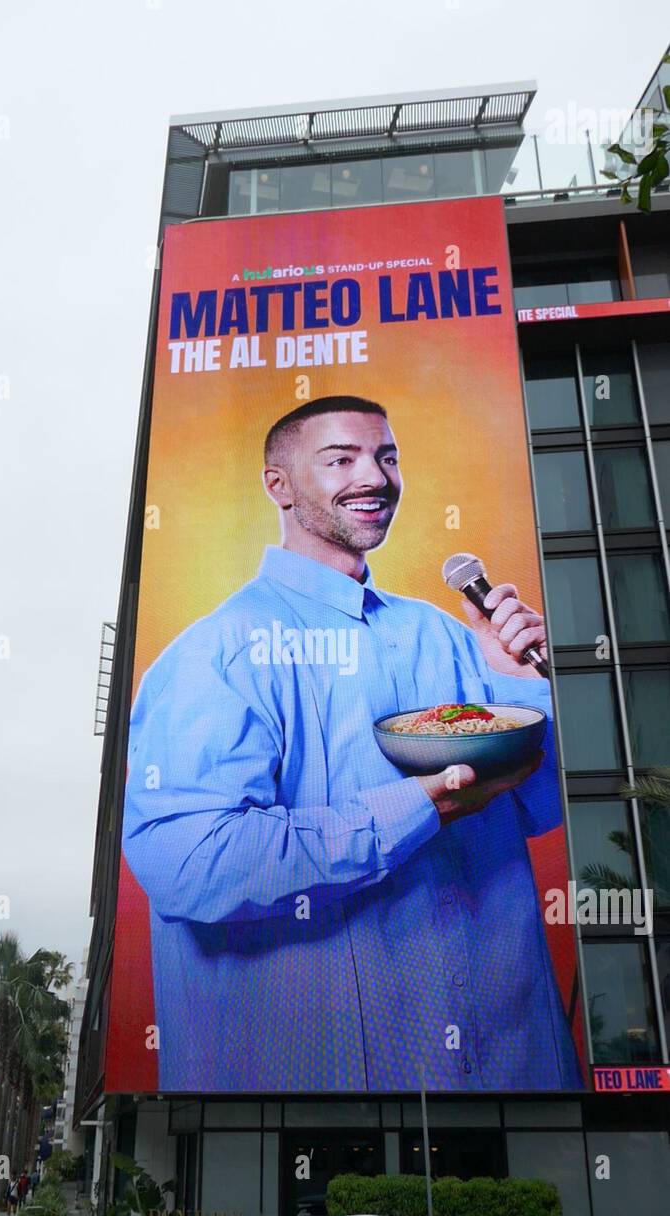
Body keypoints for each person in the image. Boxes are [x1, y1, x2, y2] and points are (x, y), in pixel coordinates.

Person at [123, 395, 583, 1093]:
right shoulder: (214, 655)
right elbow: (193, 862)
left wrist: (520, 684)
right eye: (340, 459)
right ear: (277, 485)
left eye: (385, 456)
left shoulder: (447, 636)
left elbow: (544, 809)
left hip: (511, 1076)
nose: (373, 475)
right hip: (308, 1103)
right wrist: (418, 806)